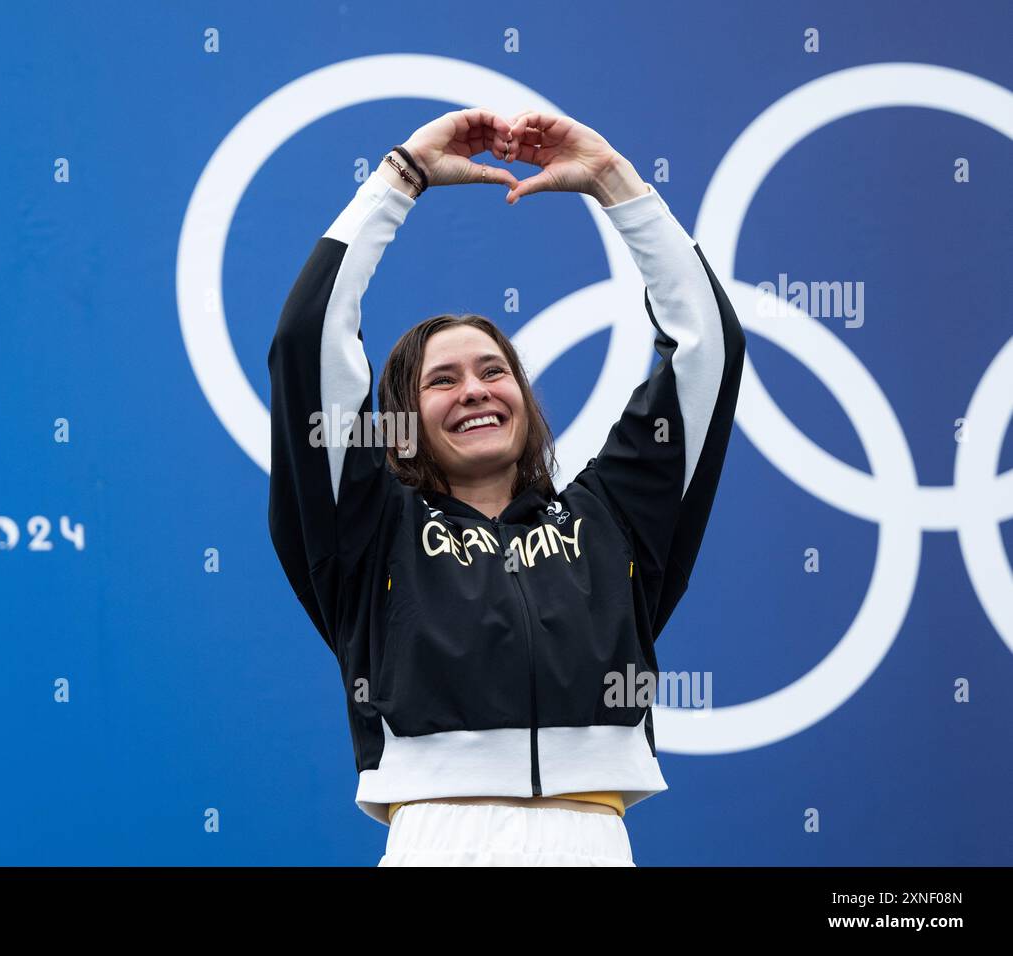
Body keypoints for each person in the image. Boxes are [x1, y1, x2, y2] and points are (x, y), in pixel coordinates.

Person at [267, 108, 746, 866]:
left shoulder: (613, 518)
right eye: (441, 381)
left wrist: (615, 182)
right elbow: (308, 342)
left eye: (494, 371)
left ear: (524, 396)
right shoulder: (368, 532)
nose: (475, 391)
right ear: (401, 423)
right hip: (439, 839)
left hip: (593, 840)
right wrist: (401, 178)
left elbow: (708, 350)